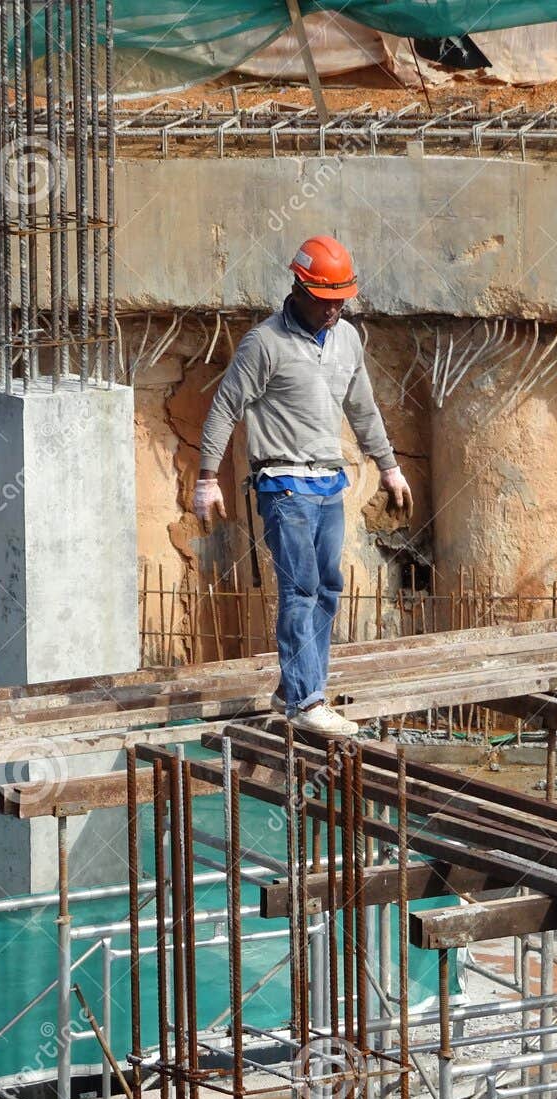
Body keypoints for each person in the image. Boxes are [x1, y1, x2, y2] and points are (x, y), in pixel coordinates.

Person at [192, 235, 411, 737]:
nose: (335, 308)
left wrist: (389, 465)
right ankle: (307, 701)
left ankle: (296, 686)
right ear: (300, 288)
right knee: (300, 587)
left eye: (342, 300)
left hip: (329, 481)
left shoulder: (348, 339)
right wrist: (208, 477)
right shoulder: (264, 343)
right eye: (326, 299)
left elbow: (363, 408)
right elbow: (225, 407)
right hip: (283, 482)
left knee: (328, 587)